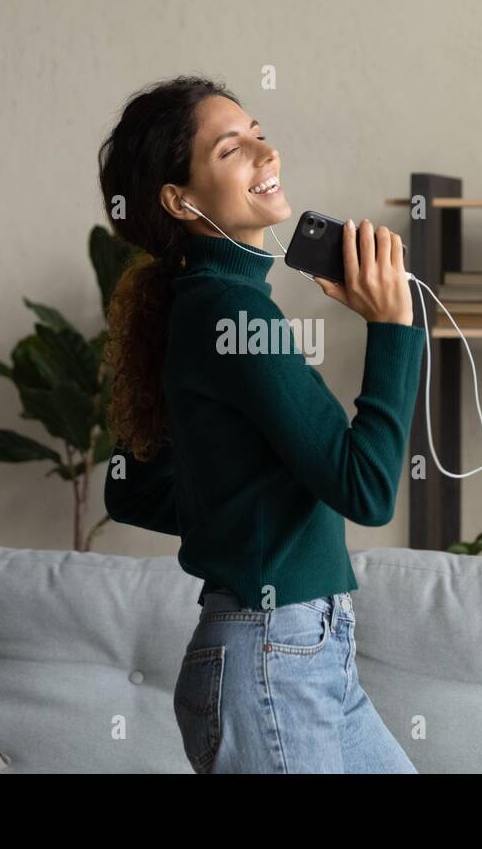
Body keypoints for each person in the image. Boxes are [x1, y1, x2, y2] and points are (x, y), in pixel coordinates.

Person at [98, 74, 423, 773]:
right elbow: (365, 488)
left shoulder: (206, 303)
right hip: (274, 657)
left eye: (257, 132)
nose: (263, 152)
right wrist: (394, 328)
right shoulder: (233, 315)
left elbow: (133, 488)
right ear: (179, 200)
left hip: (303, 652)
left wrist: (248, 517)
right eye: (230, 148)